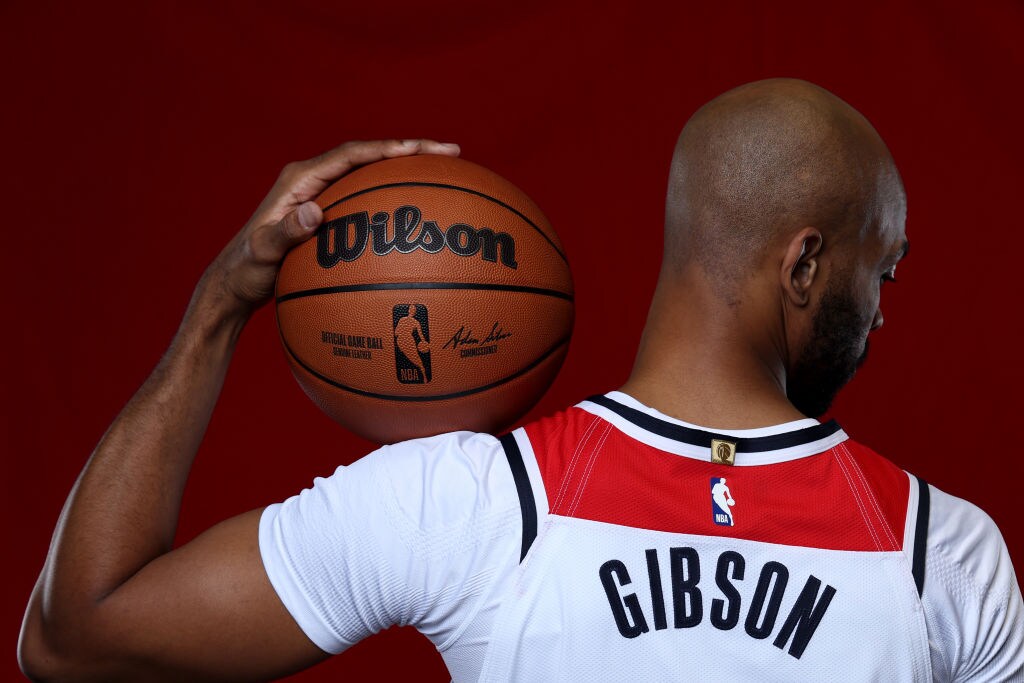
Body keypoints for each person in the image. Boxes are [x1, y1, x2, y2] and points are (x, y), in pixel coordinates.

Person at [18, 79, 1023, 681]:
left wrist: (219, 307)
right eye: (877, 267)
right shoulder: (943, 554)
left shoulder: (470, 500)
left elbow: (74, 639)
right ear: (803, 264)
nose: (883, 307)